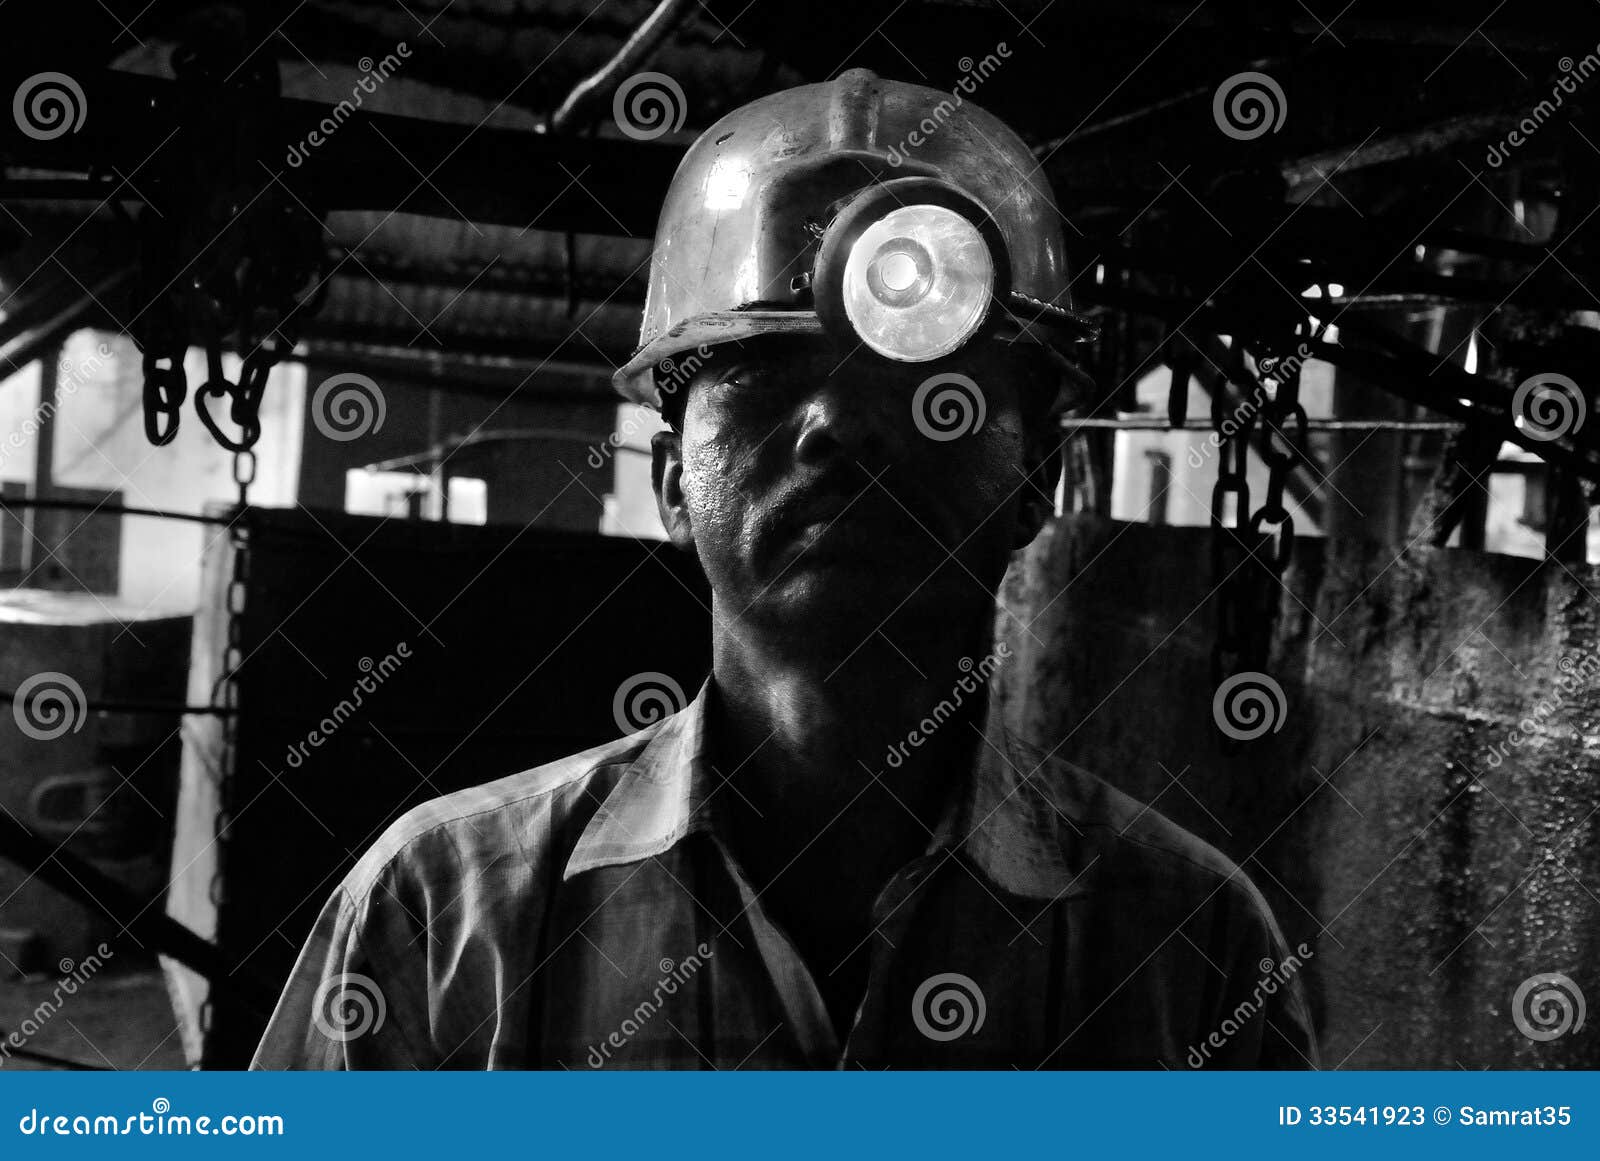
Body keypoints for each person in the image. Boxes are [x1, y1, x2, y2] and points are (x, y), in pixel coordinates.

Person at [252, 69, 1317, 1069]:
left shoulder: (1194, 947)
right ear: (671, 477)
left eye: (926, 379)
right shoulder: (441, 913)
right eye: (763, 374)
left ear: (1039, 469)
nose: (838, 426)